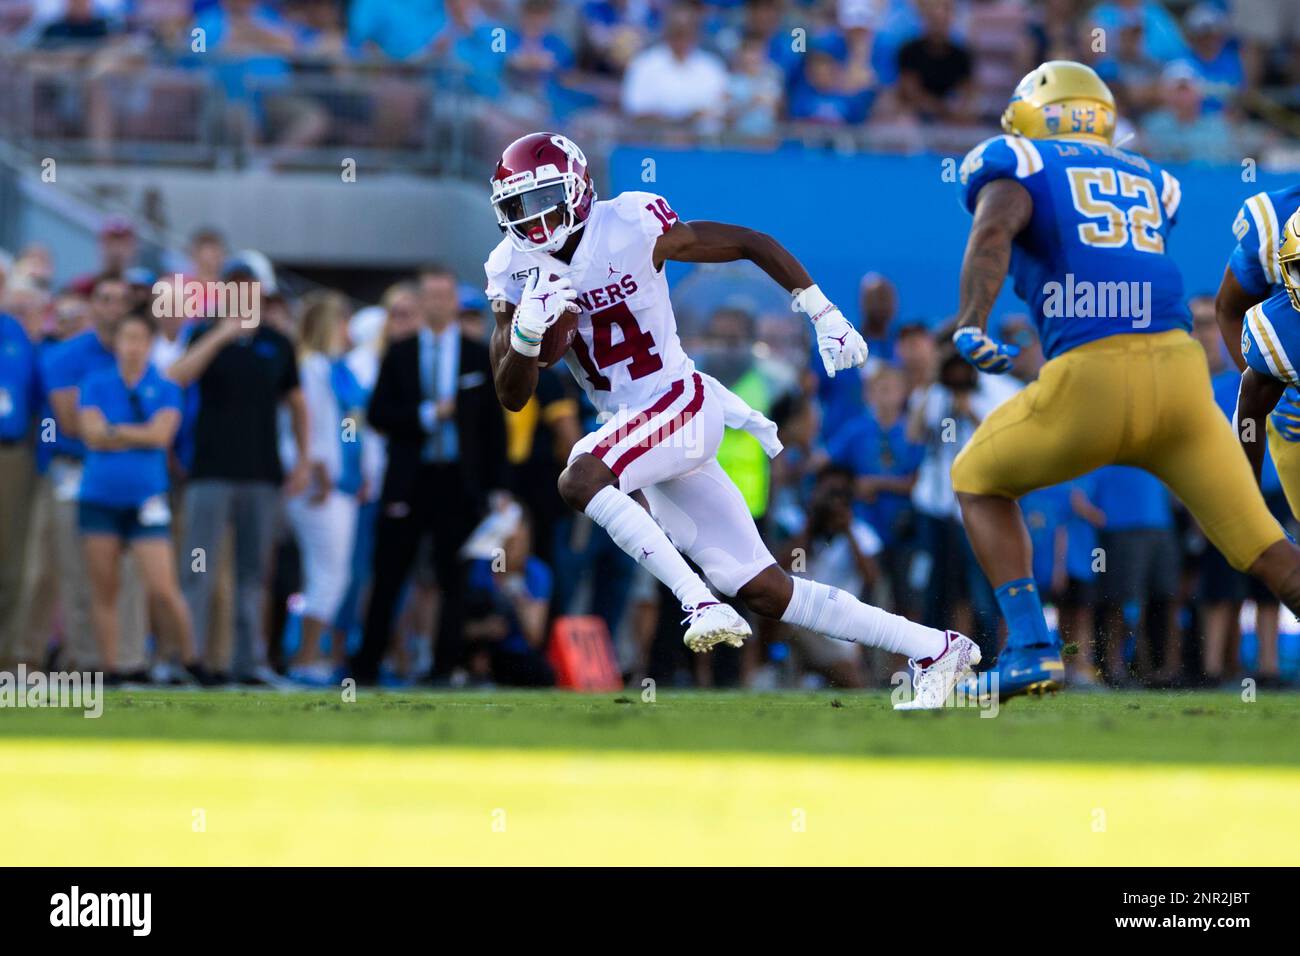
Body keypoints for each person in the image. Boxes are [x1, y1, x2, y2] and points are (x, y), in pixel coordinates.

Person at [486, 131, 975, 710]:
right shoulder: (511, 268)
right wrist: (524, 334)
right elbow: (512, 393)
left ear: (579, 188)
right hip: (634, 428)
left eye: (544, 199)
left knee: (581, 477)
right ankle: (936, 648)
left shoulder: (632, 223)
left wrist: (822, 313)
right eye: (520, 206)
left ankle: (698, 601)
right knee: (764, 588)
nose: (534, 220)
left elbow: (749, 242)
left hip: (678, 403)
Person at [949, 60, 1300, 702]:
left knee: (975, 480)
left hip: (1094, 373)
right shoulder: (1151, 179)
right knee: (1267, 549)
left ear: (1033, 114)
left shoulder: (1019, 161)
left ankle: (1030, 648)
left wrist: (972, 320)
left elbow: (994, 229)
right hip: (1181, 381)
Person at [351, 264, 506, 685]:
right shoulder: (400, 352)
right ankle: (366, 666)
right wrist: (426, 416)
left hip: (459, 481)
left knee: (452, 578)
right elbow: (378, 413)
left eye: (446, 295)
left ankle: (443, 666)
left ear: (455, 301)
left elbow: (494, 426)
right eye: (432, 296)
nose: (440, 304)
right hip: (409, 477)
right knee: (389, 573)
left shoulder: (478, 354)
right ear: (421, 301)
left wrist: (496, 487)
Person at [166, 266, 310, 687]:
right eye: (235, 289)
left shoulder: (278, 343)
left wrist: (302, 459)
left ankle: (248, 663)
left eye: (250, 289)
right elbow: (178, 376)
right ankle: (186, 661)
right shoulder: (203, 334)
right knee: (199, 568)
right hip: (209, 471)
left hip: (261, 474)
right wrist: (222, 335)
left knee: (253, 575)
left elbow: (298, 403)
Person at [77, 311, 206, 684]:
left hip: (147, 498)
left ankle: (191, 659)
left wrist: (114, 432)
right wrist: (138, 432)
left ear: (151, 345)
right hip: (100, 496)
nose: (132, 347)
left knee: (164, 588)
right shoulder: (97, 382)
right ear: (116, 343)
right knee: (105, 587)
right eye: (126, 338)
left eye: (140, 339)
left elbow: (160, 436)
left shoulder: (164, 386)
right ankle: (111, 667)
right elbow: (90, 433)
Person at [281, 294, 362, 684]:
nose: (349, 332)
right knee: (327, 573)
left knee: (333, 573)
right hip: (320, 482)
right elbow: (308, 425)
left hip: (340, 482)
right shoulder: (312, 367)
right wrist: (317, 467)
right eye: (343, 323)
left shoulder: (336, 368)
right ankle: (305, 657)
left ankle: (311, 654)